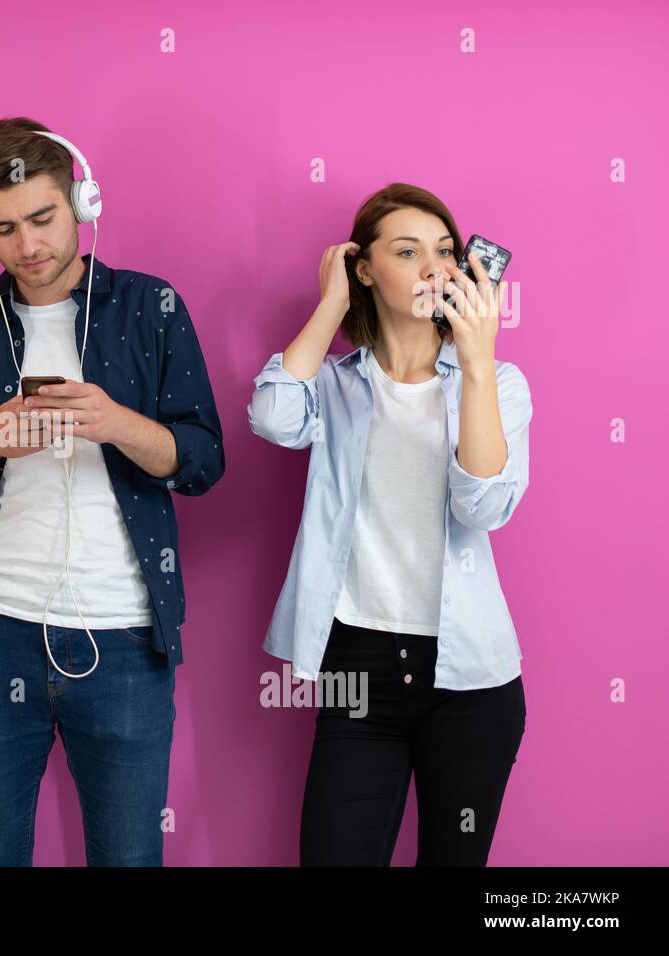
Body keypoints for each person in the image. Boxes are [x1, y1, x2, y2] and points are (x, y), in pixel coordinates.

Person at [0, 117, 224, 865]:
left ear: (81, 204)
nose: (28, 245)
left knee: (129, 856)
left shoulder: (152, 307)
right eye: (3, 229)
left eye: (43, 219)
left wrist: (117, 424)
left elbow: (204, 461)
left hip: (124, 634)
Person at [248, 182, 530, 866]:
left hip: (469, 679)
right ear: (365, 268)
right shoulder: (337, 383)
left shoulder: (497, 382)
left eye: (445, 251)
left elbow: (483, 506)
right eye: (408, 252)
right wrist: (331, 304)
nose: (434, 267)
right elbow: (273, 417)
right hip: (358, 666)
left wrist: (477, 361)